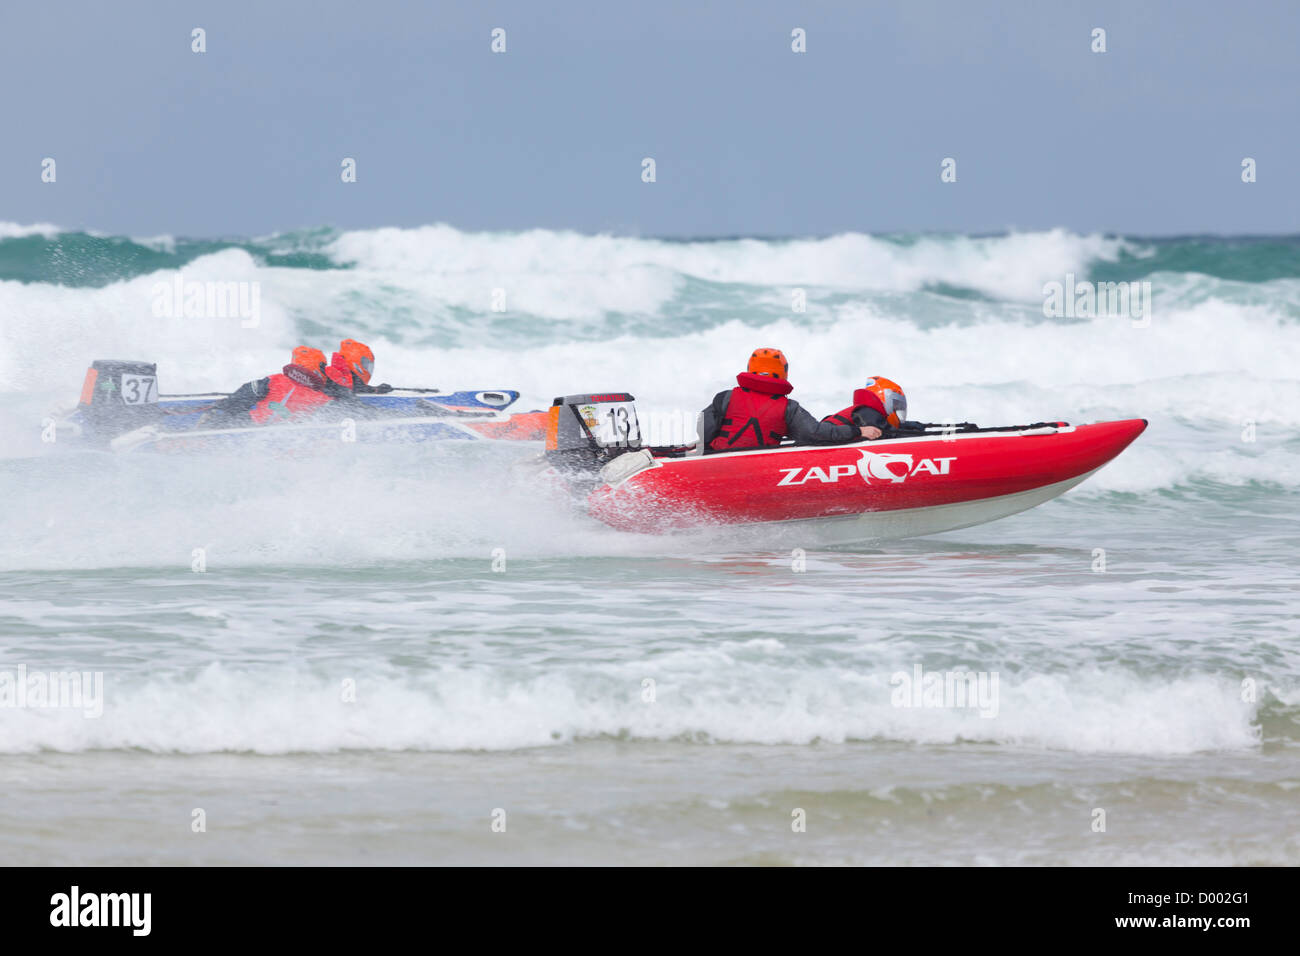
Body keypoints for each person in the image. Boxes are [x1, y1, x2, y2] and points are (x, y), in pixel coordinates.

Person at [698, 348, 874, 452]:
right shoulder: (788, 408)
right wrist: (858, 431)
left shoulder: (726, 397)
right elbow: (815, 433)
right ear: (783, 372)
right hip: (760, 468)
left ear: (750, 369)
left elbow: (702, 430)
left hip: (718, 461)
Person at [199, 346, 341, 426]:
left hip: (250, 426)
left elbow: (243, 396)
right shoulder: (322, 398)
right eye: (323, 366)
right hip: (279, 436)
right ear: (315, 366)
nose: (324, 370)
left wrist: (222, 408)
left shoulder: (275, 380)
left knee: (225, 418)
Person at [821, 376, 908, 439]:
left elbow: (893, 428)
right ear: (884, 400)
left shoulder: (865, 412)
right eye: (896, 406)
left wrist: (918, 426)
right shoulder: (868, 412)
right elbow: (891, 434)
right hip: (823, 446)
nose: (896, 410)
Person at [326, 339, 393, 394]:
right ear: (355, 362)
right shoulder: (332, 372)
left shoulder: (344, 376)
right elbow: (349, 389)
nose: (367, 368)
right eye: (366, 364)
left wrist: (375, 389)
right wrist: (375, 390)